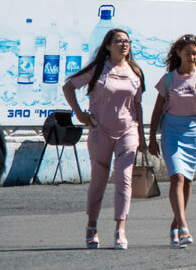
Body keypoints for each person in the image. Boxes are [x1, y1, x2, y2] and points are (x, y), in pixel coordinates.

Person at [61, 28, 146, 250]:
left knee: (124, 179)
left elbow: (138, 105)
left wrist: (143, 137)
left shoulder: (135, 71)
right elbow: (68, 87)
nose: (124, 44)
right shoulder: (99, 69)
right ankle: (92, 226)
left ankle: (120, 230)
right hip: (101, 131)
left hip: (128, 131)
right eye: (119, 41)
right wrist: (79, 114)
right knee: (99, 180)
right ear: (108, 46)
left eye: (127, 41)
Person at [148, 33, 196, 249]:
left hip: (193, 133)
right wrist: (151, 139)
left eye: (195, 53)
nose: (192, 57)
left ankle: (175, 226)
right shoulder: (168, 79)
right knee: (176, 176)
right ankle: (184, 226)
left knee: (187, 181)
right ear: (178, 53)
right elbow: (157, 111)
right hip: (171, 132)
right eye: (188, 53)